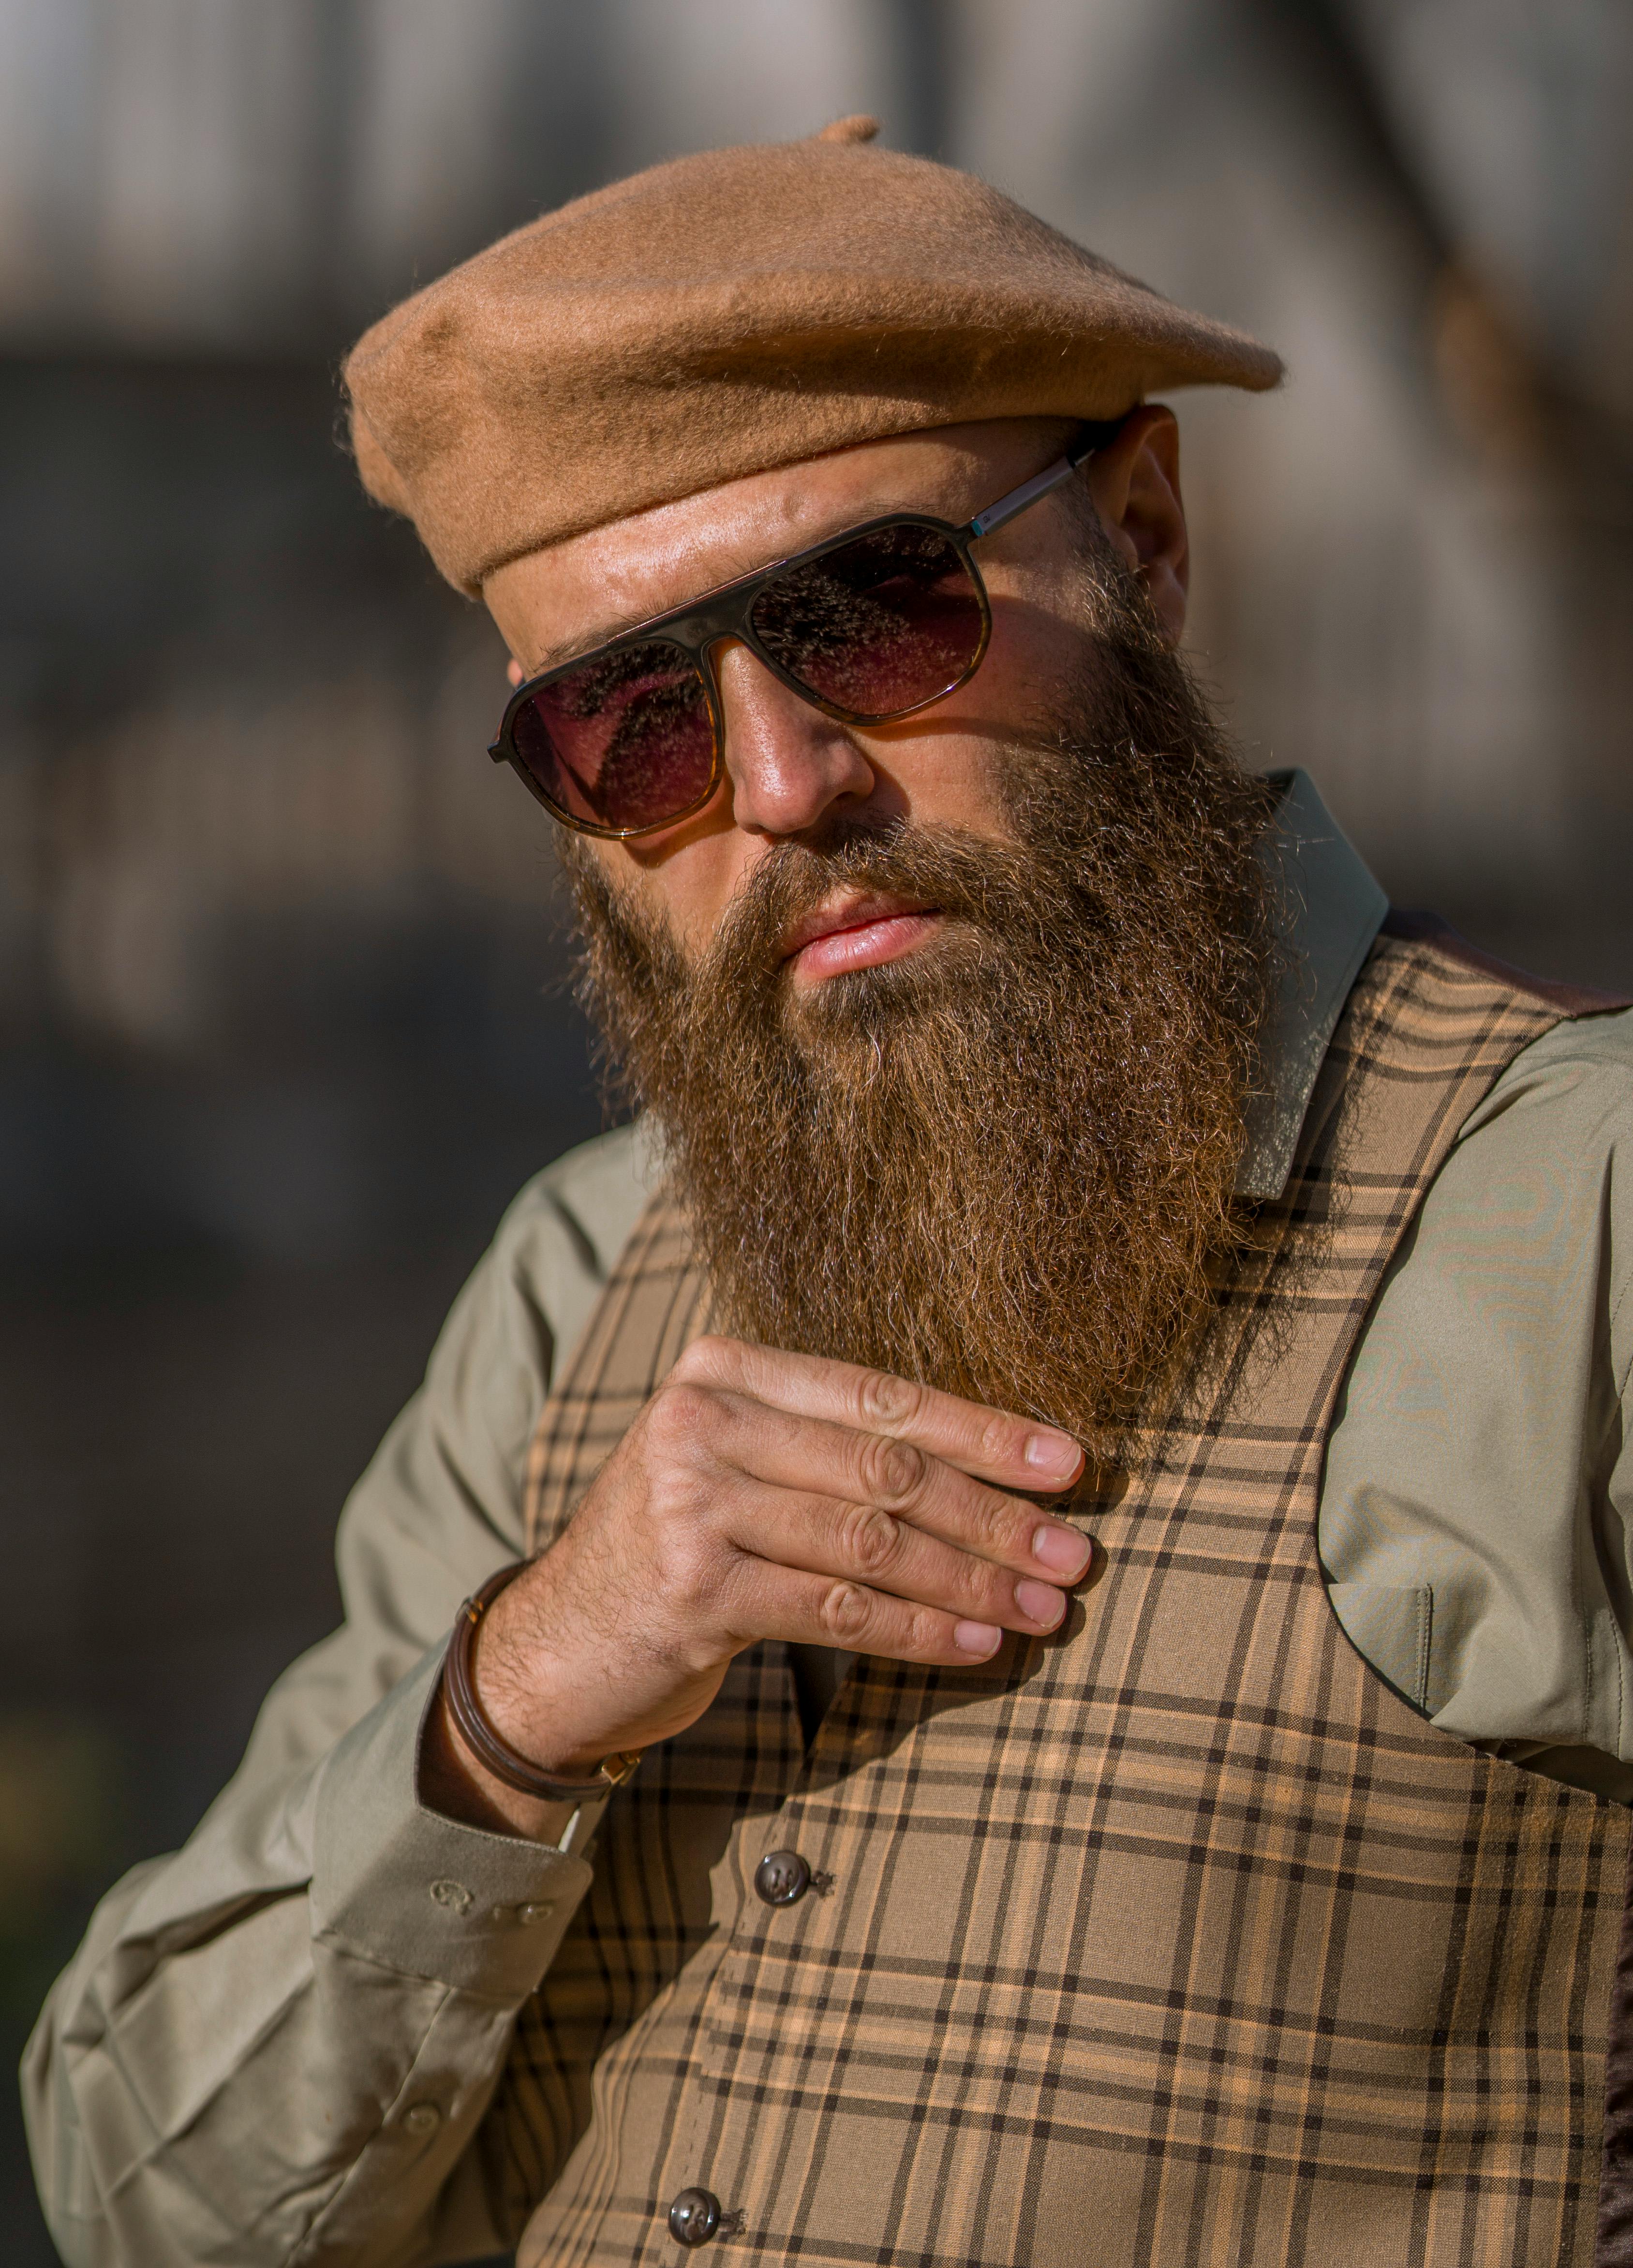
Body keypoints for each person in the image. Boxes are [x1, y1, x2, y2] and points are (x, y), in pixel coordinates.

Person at [25, 118, 1633, 2268]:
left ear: (1144, 542)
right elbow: (139, 2196)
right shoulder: (577, 1270)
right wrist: (512, 1706)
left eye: (873, 613)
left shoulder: (1577, 1222)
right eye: (628, 728)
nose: (781, 789)